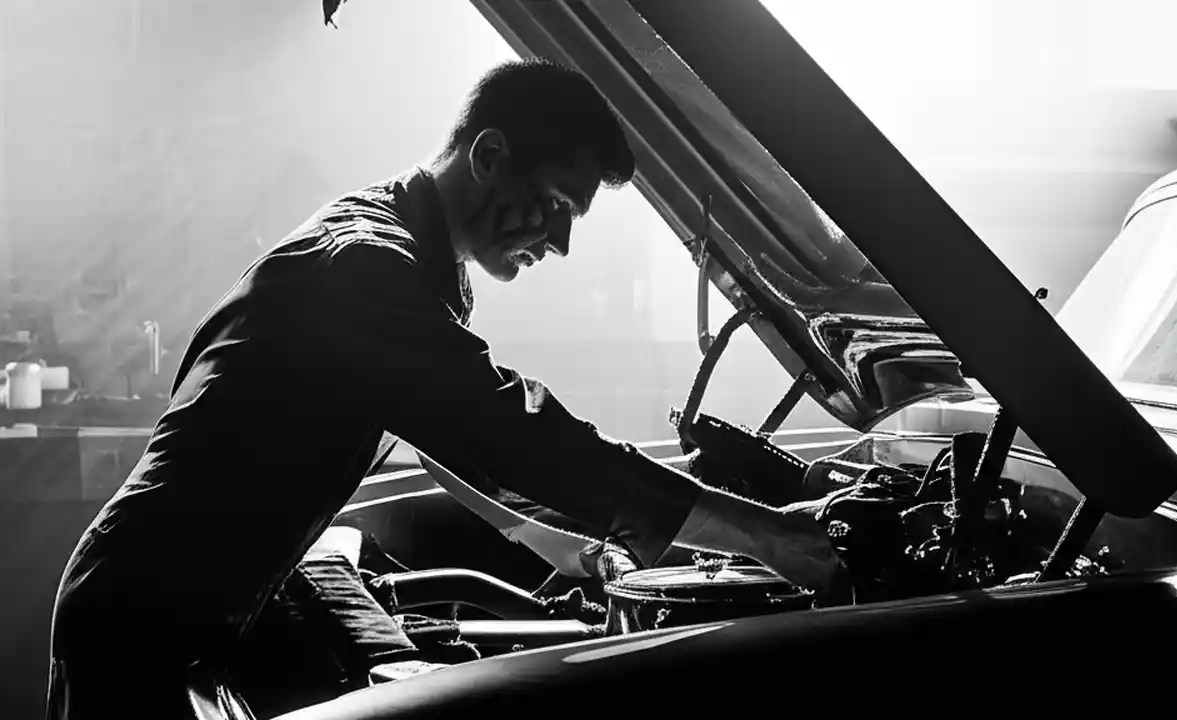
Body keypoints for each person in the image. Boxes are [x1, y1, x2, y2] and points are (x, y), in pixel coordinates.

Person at [46, 58, 843, 719]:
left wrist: (558, 545)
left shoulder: (420, 261)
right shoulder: (365, 268)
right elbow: (516, 435)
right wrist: (772, 537)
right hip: (139, 621)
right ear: (489, 155)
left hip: (181, 605)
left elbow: (446, 442)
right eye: (557, 205)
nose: (560, 242)